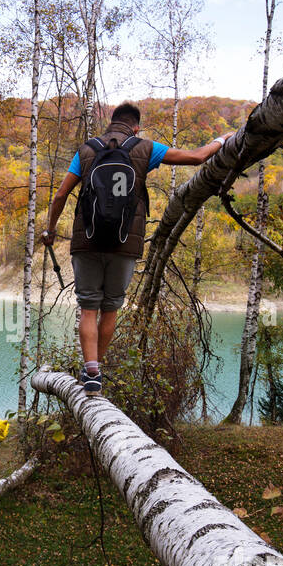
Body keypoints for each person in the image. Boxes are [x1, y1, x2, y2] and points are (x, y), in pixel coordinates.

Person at [39, 102, 231, 397]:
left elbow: (61, 194)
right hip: (125, 242)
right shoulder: (145, 147)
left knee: (88, 306)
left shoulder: (87, 150)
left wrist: (50, 230)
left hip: (86, 239)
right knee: (111, 305)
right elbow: (196, 158)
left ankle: (90, 369)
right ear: (136, 127)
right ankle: (96, 372)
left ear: (111, 123)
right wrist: (222, 140)